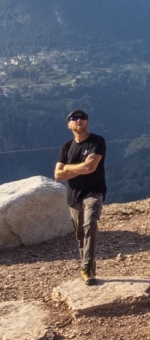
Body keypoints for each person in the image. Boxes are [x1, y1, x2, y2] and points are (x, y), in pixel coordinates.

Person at [53, 110, 106, 285]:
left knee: (90, 222)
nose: (79, 121)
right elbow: (58, 175)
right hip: (73, 196)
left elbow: (90, 169)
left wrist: (68, 168)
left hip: (94, 192)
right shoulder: (66, 147)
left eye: (82, 118)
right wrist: (81, 166)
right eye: (74, 119)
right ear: (68, 125)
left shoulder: (97, 141)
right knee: (80, 234)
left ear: (87, 121)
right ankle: (87, 266)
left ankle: (87, 268)